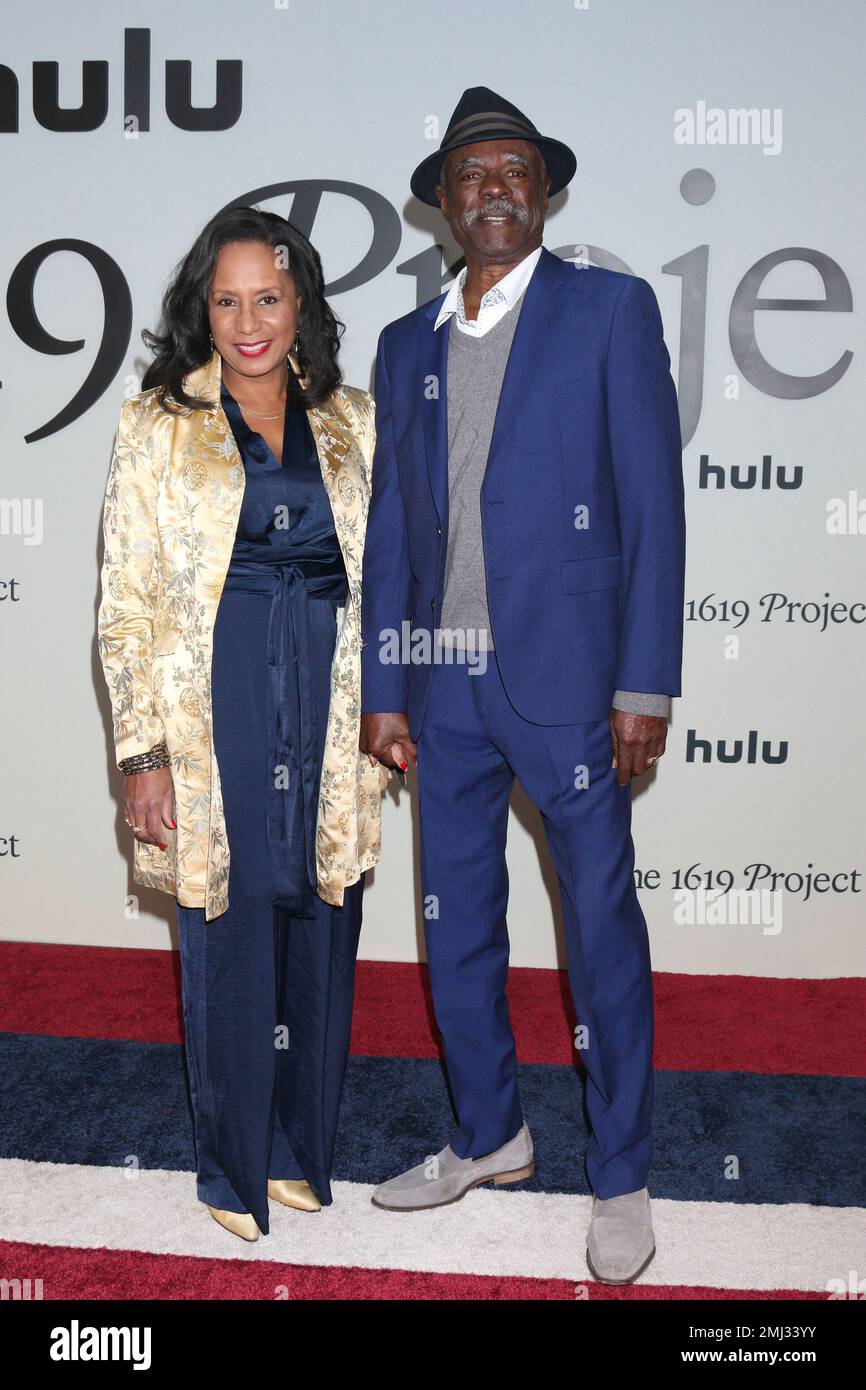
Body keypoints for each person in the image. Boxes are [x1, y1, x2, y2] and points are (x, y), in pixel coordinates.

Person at [360, 87, 685, 1284]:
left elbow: (650, 500)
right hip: (441, 691)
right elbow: (395, 521)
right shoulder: (406, 346)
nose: (491, 189)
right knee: (455, 931)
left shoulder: (608, 311)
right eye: (468, 176)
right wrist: (385, 686)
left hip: (570, 682)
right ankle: (487, 1132)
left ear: (540, 191)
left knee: (597, 932)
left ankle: (621, 1172)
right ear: (443, 205)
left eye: (512, 171)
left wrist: (644, 679)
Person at [97, 205, 388, 1242]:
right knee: (226, 927)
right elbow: (125, 605)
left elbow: (387, 577)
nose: (248, 320)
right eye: (227, 300)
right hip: (209, 698)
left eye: (268, 296)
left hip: (330, 697)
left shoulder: (353, 419)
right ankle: (230, 1168)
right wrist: (141, 754)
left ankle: (304, 1150)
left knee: (322, 908)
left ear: (299, 300)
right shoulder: (157, 422)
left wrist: (391, 704)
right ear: (201, 309)